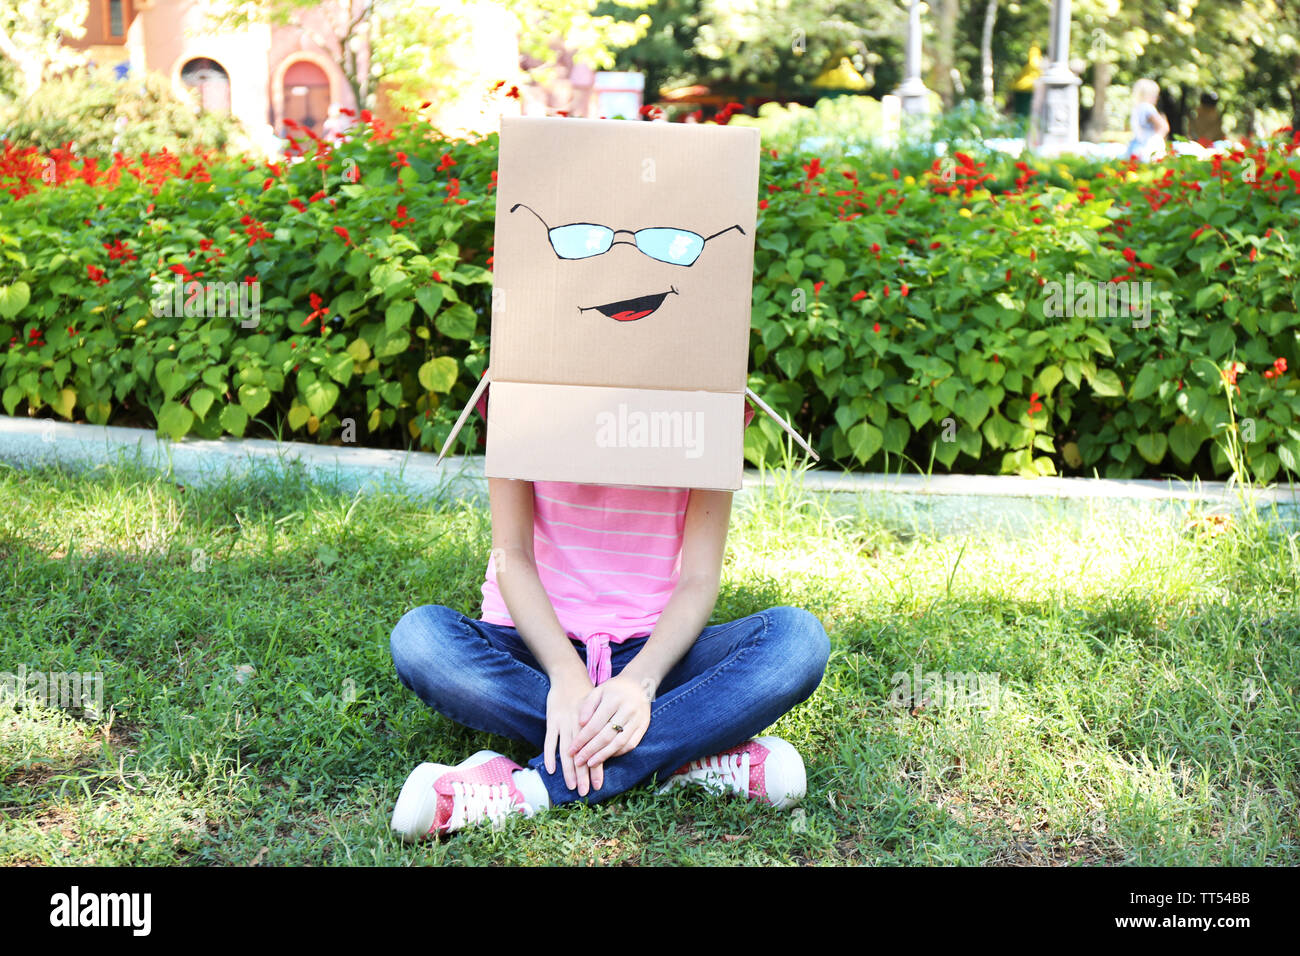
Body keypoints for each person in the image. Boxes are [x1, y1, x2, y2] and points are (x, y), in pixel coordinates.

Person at [386, 401, 831, 839]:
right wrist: (565, 673)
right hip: (534, 649)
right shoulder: (523, 388)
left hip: (655, 653)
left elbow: (698, 578)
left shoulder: (709, 401)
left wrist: (640, 683)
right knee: (422, 639)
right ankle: (686, 753)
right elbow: (512, 556)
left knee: (797, 640)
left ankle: (527, 790)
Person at [1126, 78, 1169, 162]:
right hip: (1146, 147)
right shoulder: (1147, 107)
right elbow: (1164, 127)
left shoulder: (1137, 108)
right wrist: (1155, 142)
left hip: (1137, 145)